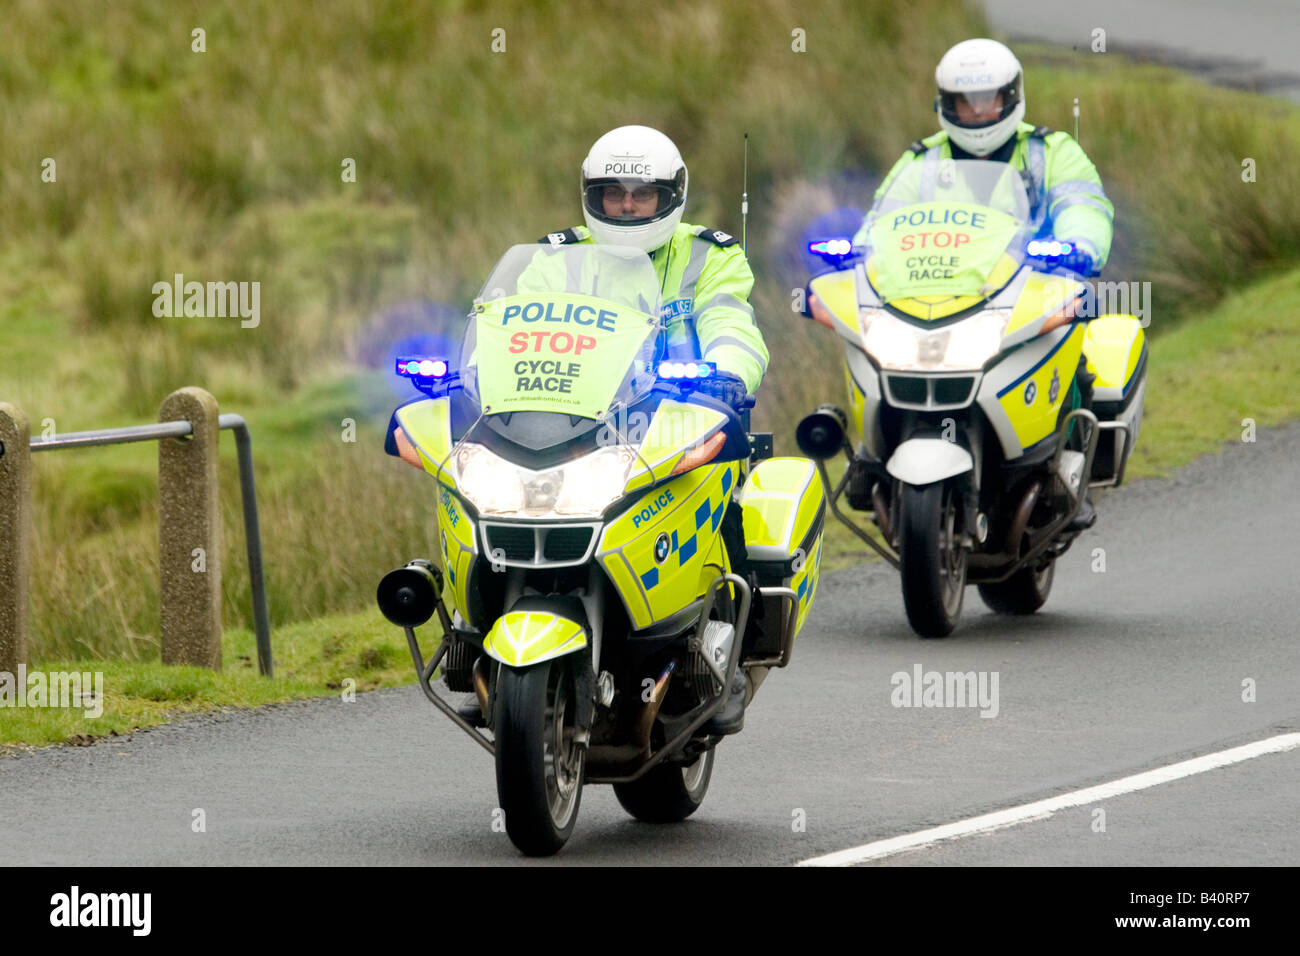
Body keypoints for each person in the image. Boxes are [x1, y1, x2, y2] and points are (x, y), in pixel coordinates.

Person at [542, 125, 769, 733]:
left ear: (671, 195)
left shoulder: (709, 255)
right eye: (612, 192)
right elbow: (506, 323)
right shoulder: (556, 258)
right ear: (590, 193)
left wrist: (727, 374)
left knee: (725, 511)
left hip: (676, 423)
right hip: (571, 428)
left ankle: (733, 659)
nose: (625, 205)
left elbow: (732, 322)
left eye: (642, 193)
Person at [855, 39, 1113, 528]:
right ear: (944, 104)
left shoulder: (1050, 152)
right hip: (934, 295)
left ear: (1011, 97)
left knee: (1070, 346)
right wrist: (860, 250)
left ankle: (1068, 466)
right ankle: (871, 458)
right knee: (874, 352)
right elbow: (880, 220)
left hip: (1032, 288)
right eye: (963, 103)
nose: (976, 113)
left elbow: (1084, 205)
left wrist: (1079, 244)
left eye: (987, 101)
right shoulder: (921, 162)